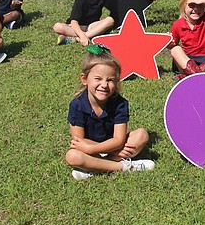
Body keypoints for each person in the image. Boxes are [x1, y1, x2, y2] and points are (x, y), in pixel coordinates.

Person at [65, 45, 155, 181]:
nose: (104, 85)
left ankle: (94, 168)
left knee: (141, 135)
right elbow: (79, 141)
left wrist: (93, 150)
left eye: (110, 80)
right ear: (84, 79)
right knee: (72, 156)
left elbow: (118, 141)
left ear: (117, 81)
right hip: (97, 149)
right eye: (98, 79)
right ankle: (124, 167)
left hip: (109, 148)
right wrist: (92, 149)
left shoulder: (120, 103)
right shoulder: (77, 105)